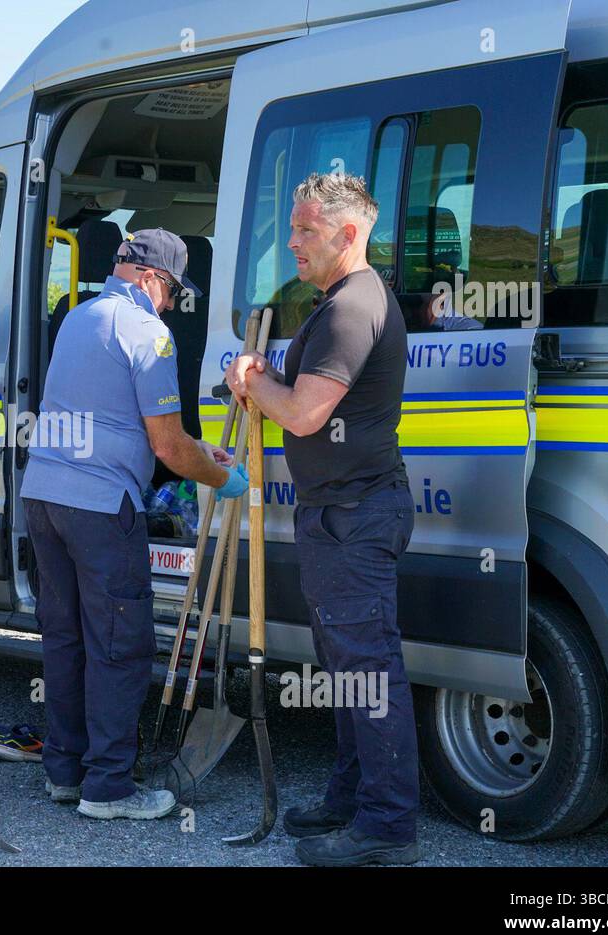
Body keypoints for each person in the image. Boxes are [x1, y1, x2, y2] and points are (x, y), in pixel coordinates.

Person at [21, 227, 248, 820]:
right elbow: (167, 447)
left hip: (44, 497)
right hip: (99, 505)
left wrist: (202, 450)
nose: (172, 305)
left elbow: (120, 414)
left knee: (66, 638)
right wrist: (221, 478)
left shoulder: (80, 317)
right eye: (172, 291)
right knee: (120, 644)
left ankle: (66, 773)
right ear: (152, 279)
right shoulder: (150, 332)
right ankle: (109, 788)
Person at [226, 172, 419, 866]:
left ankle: (387, 827)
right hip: (340, 513)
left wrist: (253, 381)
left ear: (348, 232)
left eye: (305, 229)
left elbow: (307, 412)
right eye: (294, 227)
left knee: (366, 670)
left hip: (353, 515)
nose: (292, 241)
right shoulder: (340, 300)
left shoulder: (349, 307)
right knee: (345, 666)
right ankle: (351, 798)